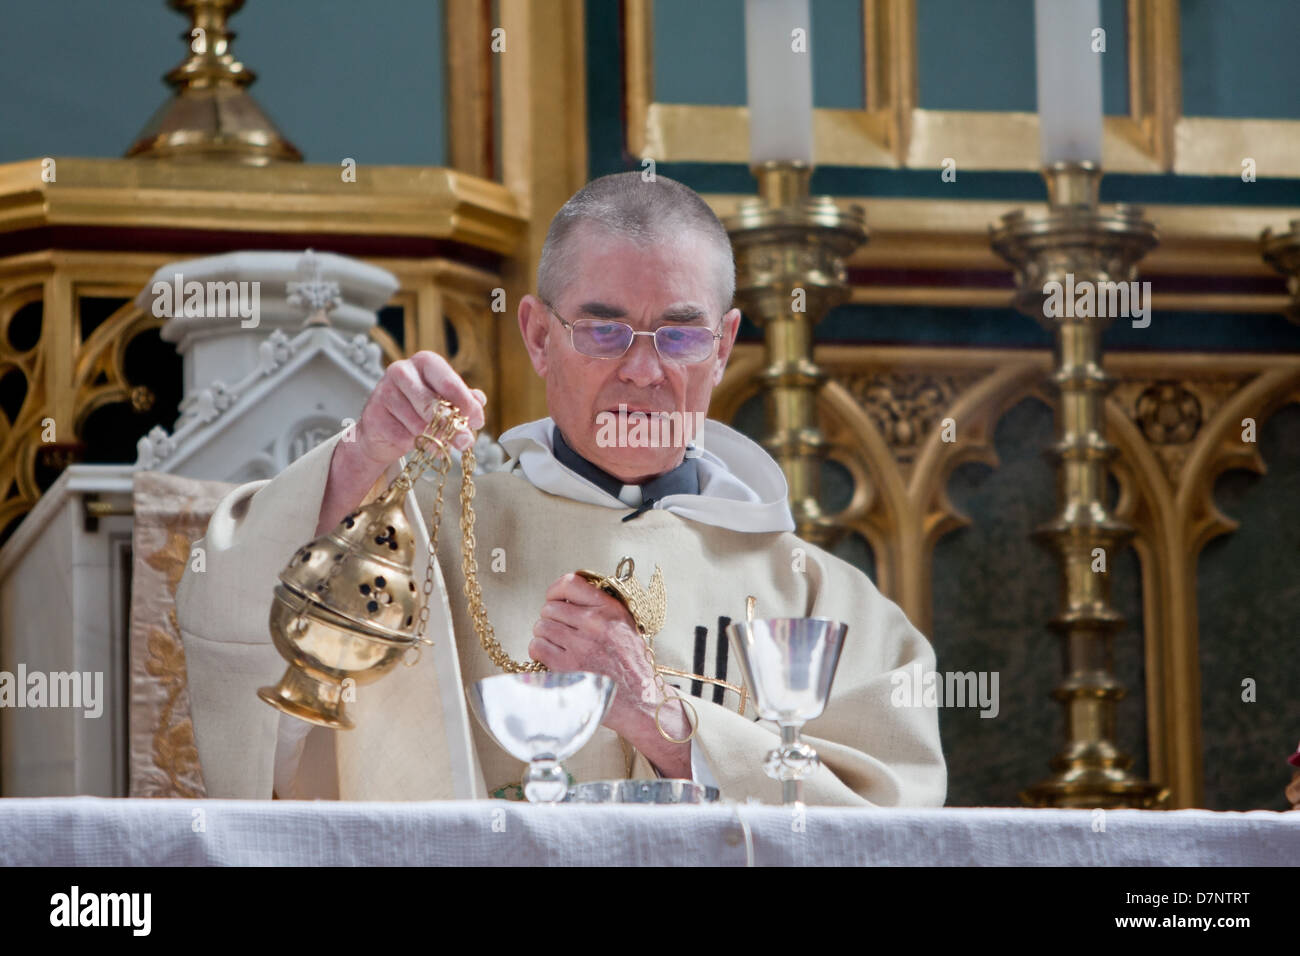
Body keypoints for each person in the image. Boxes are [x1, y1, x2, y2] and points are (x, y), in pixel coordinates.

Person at [175, 171, 947, 805]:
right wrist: (359, 459)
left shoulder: (818, 603)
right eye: (604, 330)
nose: (644, 371)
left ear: (723, 347)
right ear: (540, 336)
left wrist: (667, 725)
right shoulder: (424, 526)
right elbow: (233, 622)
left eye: (679, 335)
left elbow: (894, 825)